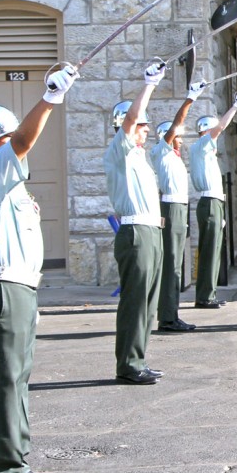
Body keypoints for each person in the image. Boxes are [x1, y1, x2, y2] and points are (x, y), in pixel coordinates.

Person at [0, 65, 76, 473]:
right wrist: (49, 98)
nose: (19, 150)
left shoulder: (7, 183)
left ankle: (17, 459)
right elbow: (24, 140)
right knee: (1, 382)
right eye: (8, 141)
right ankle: (2, 470)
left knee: (17, 379)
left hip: (18, 289)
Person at [104, 62, 168, 385]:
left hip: (151, 230)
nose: (146, 129)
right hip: (135, 232)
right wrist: (149, 86)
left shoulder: (141, 157)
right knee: (135, 300)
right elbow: (130, 120)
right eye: (143, 125)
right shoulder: (121, 150)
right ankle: (128, 363)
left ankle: (138, 359)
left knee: (149, 302)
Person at [189, 89, 237, 310]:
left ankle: (209, 293)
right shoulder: (202, 145)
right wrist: (236, 106)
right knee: (210, 250)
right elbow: (221, 128)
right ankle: (205, 295)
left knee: (215, 249)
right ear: (205, 131)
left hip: (213, 202)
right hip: (209, 202)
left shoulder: (204, 150)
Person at [150, 81, 203, 334]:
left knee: (176, 264)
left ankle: (171, 313)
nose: (180, 141)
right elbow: (176, 123)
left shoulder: (174, 157)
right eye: (177, 138)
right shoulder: (161, 151)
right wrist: (190, 99)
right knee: (171, 264)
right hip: (171, 208)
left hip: (180, 208)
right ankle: (168, 317)